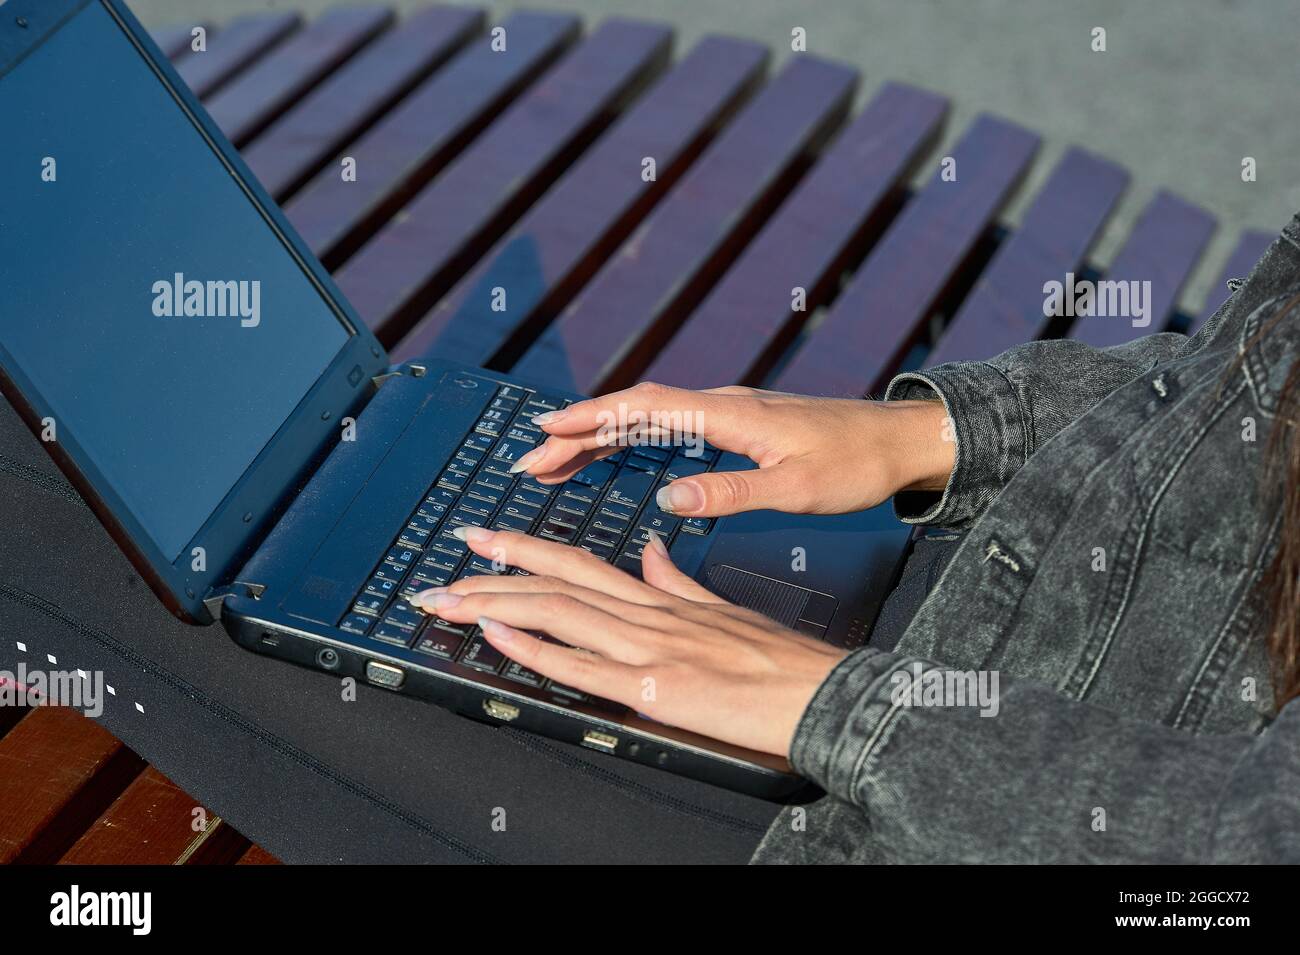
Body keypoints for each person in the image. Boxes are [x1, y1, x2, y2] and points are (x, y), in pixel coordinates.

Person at [410, 213, 1300, 864]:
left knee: (294, 670)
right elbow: (1228, 386)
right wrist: (930, 437)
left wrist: (840, 704)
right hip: (1009, 598)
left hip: (963, 791)